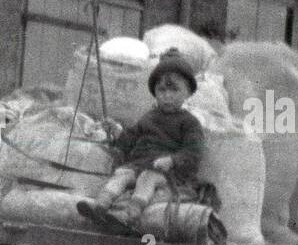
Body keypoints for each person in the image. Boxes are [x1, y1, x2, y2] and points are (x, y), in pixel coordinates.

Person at [79, 47, 204, 228]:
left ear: (188, 93)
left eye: (174, 90)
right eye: (161, 90)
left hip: (170, 175)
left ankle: (131, 213)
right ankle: (100, 206)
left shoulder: (189, 123)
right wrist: (117, 132)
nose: (167, 96)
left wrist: (172, 160)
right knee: (122, 174)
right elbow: (129, 141)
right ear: (155, 92)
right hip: (139, 166)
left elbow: (193, 153)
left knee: (147, 177)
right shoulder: (148, 117)